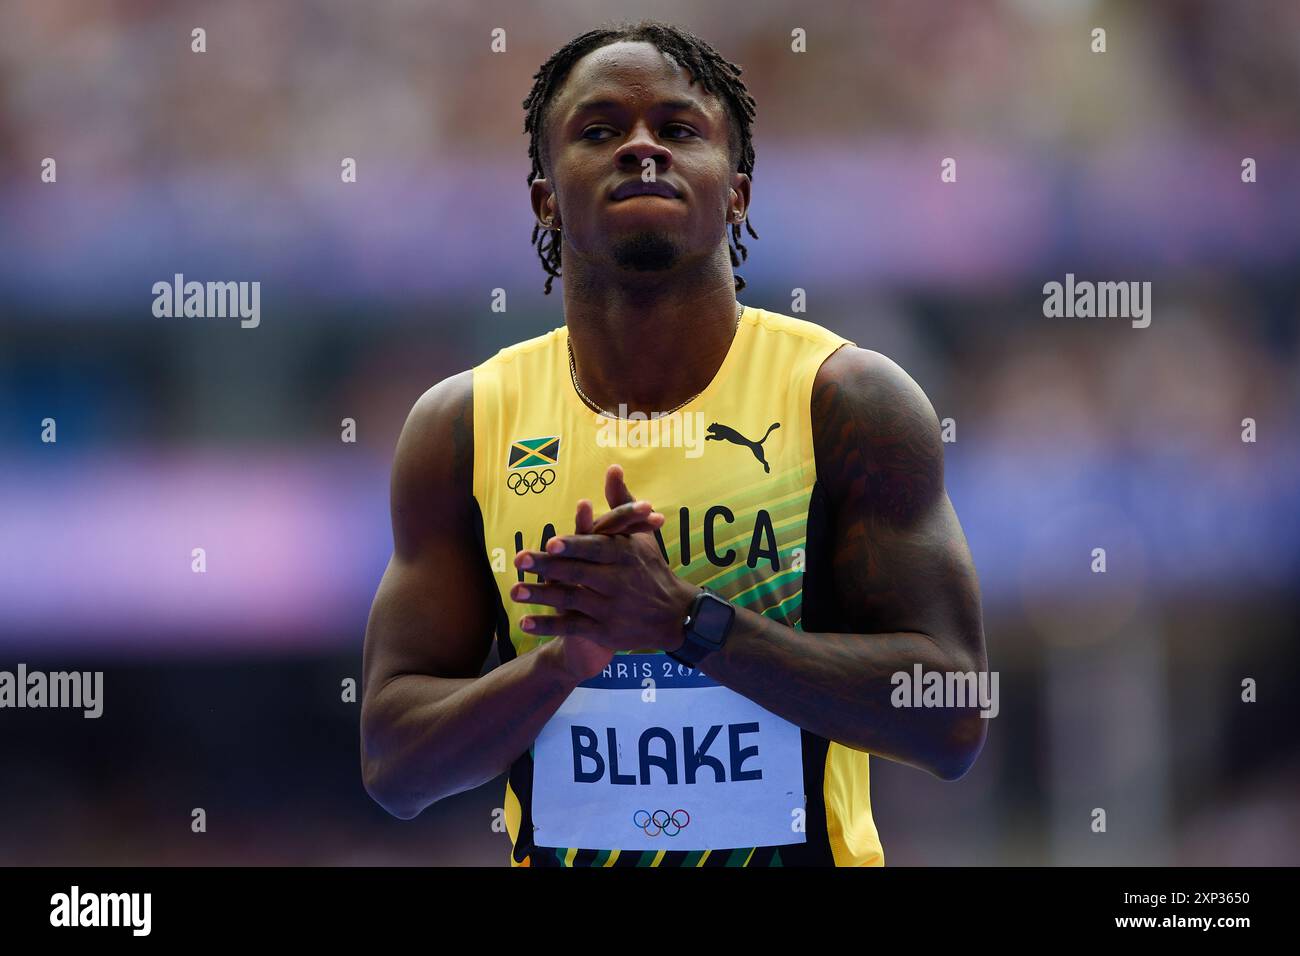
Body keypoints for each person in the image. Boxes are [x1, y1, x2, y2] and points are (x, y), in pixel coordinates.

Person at [361, 19, 987, 866]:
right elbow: (395, 766)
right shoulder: (464, 427)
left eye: (680, 130)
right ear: (546, 196)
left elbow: (952, 717)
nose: (642, 148)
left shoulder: (847, 402)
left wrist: (688, 623)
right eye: (600, 130)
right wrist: (558, 665)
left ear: (737, 193)